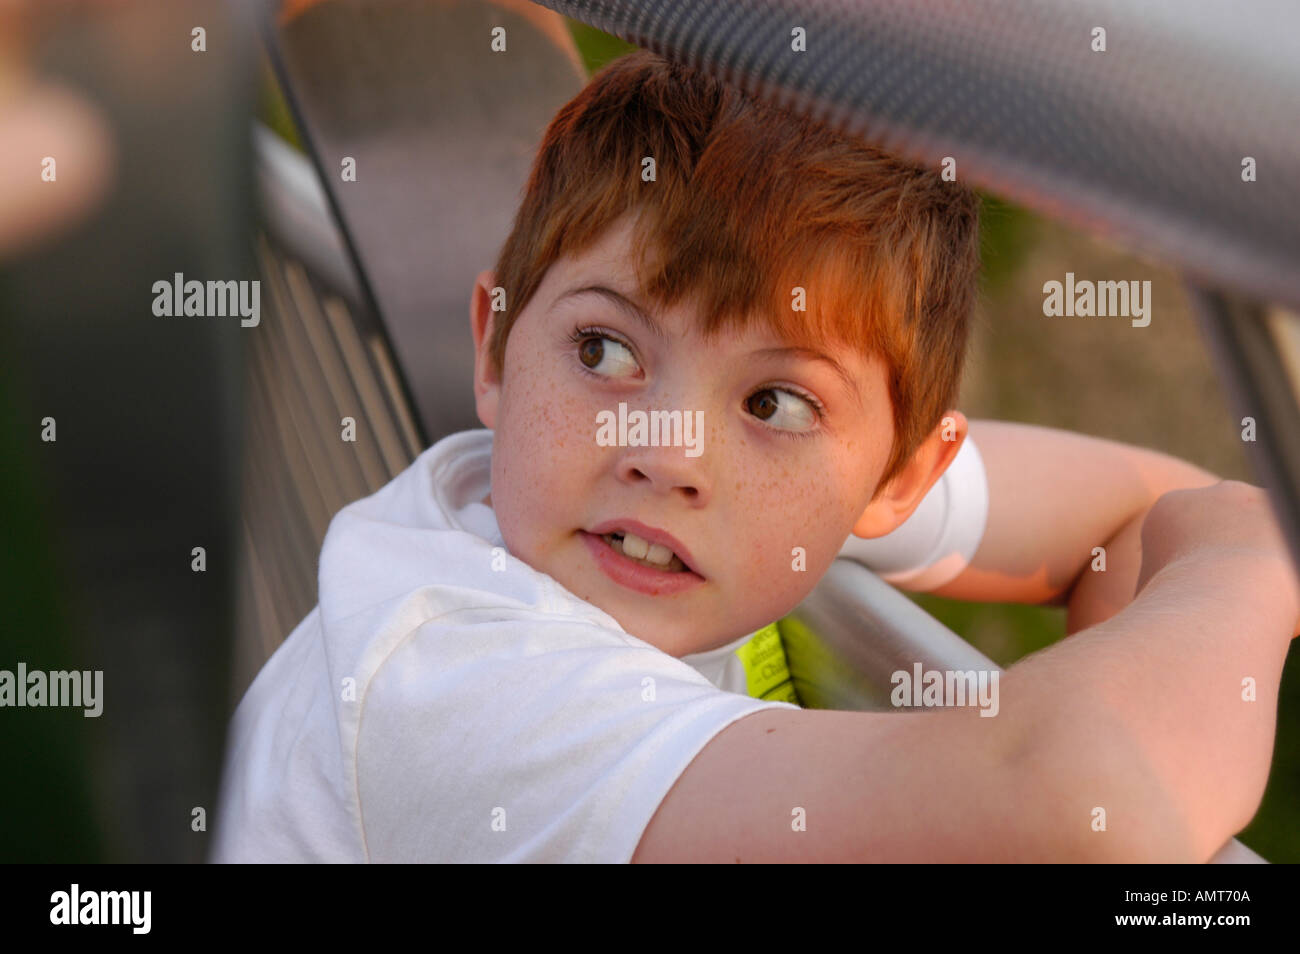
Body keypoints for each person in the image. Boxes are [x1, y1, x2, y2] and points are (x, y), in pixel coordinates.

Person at [211, 49, 1300, 863]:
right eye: (605, 350)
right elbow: (1085, 806)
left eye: (774, 401)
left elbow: (1140, 505)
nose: (670, 454)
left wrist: (1198, 544)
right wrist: (1253, 558)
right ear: (496, 345)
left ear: (894, 478)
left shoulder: (575, 504)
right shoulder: (453, 687)